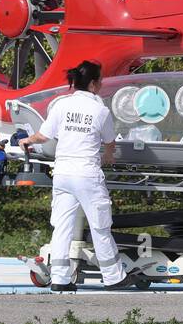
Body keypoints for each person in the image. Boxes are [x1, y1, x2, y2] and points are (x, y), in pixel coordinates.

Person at [17, 59, 141, 291]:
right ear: (94, 84)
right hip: (87, 174)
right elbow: (110, 142)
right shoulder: (100, 110)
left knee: (62, 226)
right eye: (101, 80)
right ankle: (113, 277)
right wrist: (108, 156)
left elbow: (43, 136)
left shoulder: (61, 105)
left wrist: (26, 140)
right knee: (100, 226)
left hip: (63, 172)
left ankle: (60, 279)